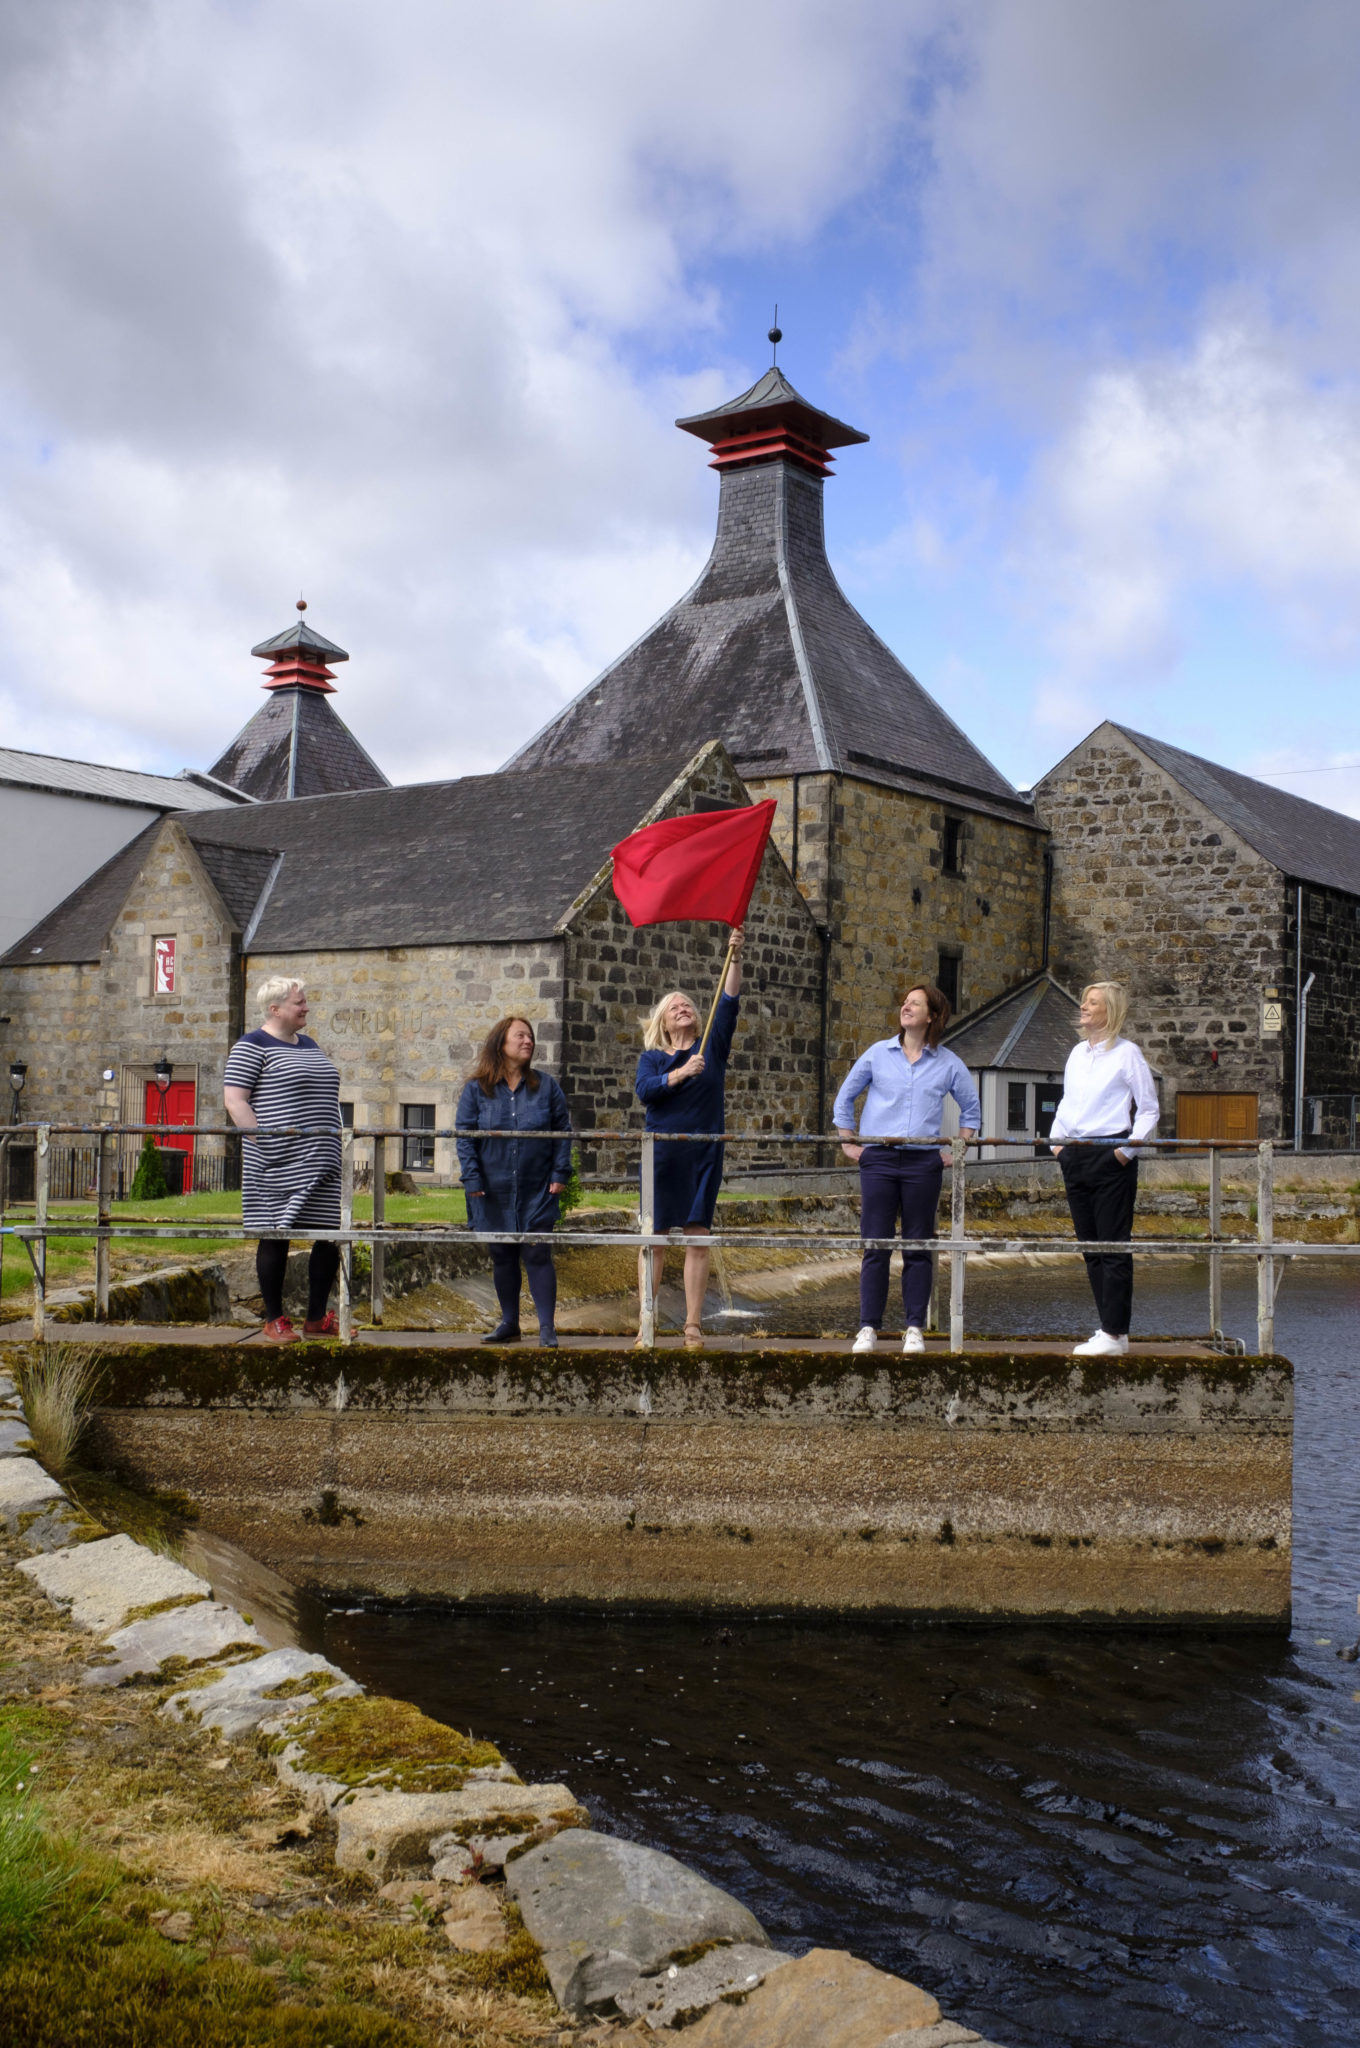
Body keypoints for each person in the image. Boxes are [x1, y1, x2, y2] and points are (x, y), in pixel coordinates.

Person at [834, 982, 980, 1356]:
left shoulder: (948, 1063)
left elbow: (971, 1109)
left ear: (933, 1015)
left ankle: (914, 1328)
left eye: (915, 1003)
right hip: (878, 1159)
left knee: (918, 1246)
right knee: (876, 1245)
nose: (906, 1006)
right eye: (904, 1002)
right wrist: (849, 1143)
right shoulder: (877, 1054)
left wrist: (957, 1151)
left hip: (923, 1163)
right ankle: (868, 1328)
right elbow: (845, 1097)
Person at [634, 929, 744, 1349]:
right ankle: (646, 1323)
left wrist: (735, 957)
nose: (683, 1009)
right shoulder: (653, 1058)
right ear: (663, 1023)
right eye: (674, 1007)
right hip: (662, 1154)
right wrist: (681, 1073)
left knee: (698, 1237)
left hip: (703, 1153)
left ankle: (693, 1326)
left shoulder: (711, 1048)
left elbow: (728, 1002)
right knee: (654, 1239)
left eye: (688, 1006)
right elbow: (645, 1091)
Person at [223, 976, 343, 1344]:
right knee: (276, 1234)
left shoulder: (309, 1044)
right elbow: (235, 1100)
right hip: (278, 1160)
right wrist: (264, 1143)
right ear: (274, 1009)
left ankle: (316, 1318)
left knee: (330, 1235)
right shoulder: (251, 1046)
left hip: (322, 1159)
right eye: (299, 1003)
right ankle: (274, 1320)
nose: (306, 1007)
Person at [1048, 981, 1159, 1358]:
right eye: (1084, 1001)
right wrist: (1056, 1146)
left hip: (1110, 1154)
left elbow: (1149, 1109)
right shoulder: (1076, 1054)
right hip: (1074, 1154)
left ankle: (1113, 1334)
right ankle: (1111, 1330)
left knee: (1113, 1247)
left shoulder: (1128, 1054)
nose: (1083, 1006)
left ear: (1109, 1011)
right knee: (1091, 1248)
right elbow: (1066, 1105)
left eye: (1092, 1002)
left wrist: (1125, 1153)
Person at [456, 1016, 573, 1348]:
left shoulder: (546, 1086)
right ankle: (510, 1324)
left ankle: (547, 1328)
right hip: (492, 1188)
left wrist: (560, 1173)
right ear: (501, 1043)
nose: (528, 1041)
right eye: (520, 1035)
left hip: (538, 1187)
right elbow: (465, 1136)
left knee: (537, 1253)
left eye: (530, 1036)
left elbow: (562, 1131)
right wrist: (472, 1177)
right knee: (502, 1254)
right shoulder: (476, 1089)